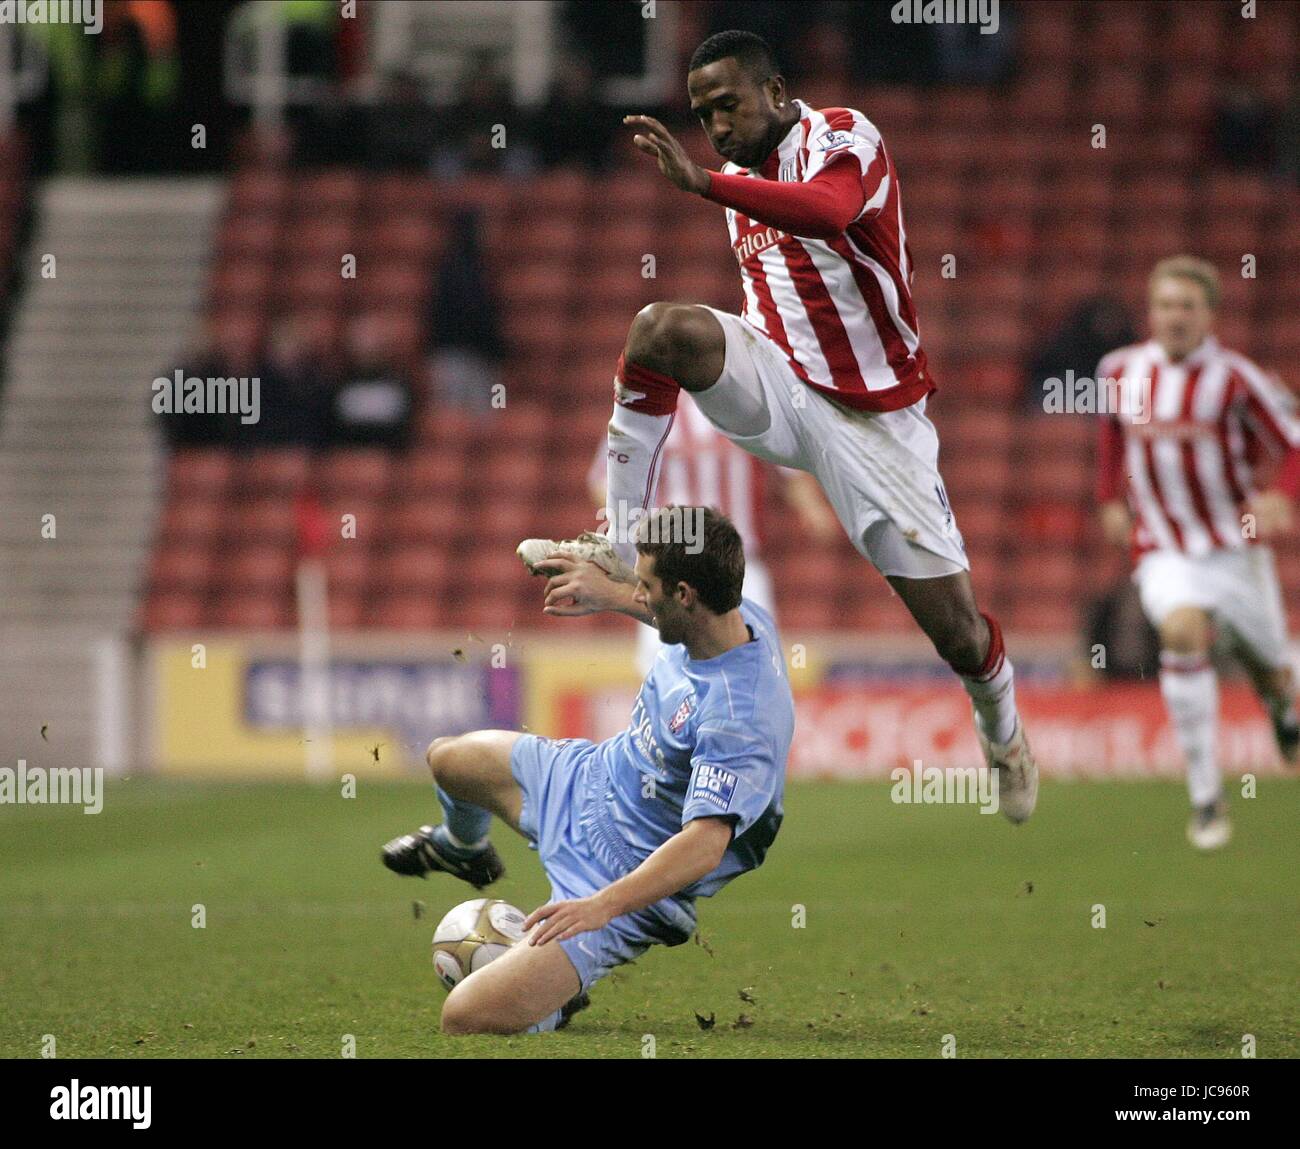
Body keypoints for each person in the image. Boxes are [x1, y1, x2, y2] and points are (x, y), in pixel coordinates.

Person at [518, 30, 1037, 823]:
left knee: (959, 633)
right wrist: (715, 184)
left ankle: (1001, 728)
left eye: (728, 105)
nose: (717, 127)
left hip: (872, 421)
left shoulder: (843, 136)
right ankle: (619, 540)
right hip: (779, 384)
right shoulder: (730, 177)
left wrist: (705, 186)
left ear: (777, 92)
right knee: (659, 330)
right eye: (702, 114)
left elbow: (830, 214)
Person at [380, 507, 793, 1035]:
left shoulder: (738, 717)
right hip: (589, 780)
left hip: (618, 874)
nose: (637, 593)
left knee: (466, 1017)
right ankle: (461, 850)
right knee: (448, 759)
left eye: (645, 586)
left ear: (684, 594)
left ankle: (555, 1001)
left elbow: (706, 843)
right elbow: (667, 608)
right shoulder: (737, 615)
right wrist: (606, 592)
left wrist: (602, 905)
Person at [1096, 255, 1300, 850]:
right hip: (1165, 548)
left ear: (1209, 314)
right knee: (1183, 633)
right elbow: (1111, 434)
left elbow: (1293, 443)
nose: (1174, 317)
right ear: (1151, 311)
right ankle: (1206, 797)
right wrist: (1109, 497)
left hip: (1235, 549)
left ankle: (1283, 711)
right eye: (1164, 305)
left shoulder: (1237, 378)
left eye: (1187, 306)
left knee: (1269, 669)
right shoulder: (1120, 370)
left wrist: (1279, 497)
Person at [585, 392, 838, 673]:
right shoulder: (647, 407)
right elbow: (606, 479)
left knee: (753, 666)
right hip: (671, 569)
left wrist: (812, 507)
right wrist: (638, 528)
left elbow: (788, 466)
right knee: (666, 672)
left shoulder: (748, 401)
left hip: (739, 567)